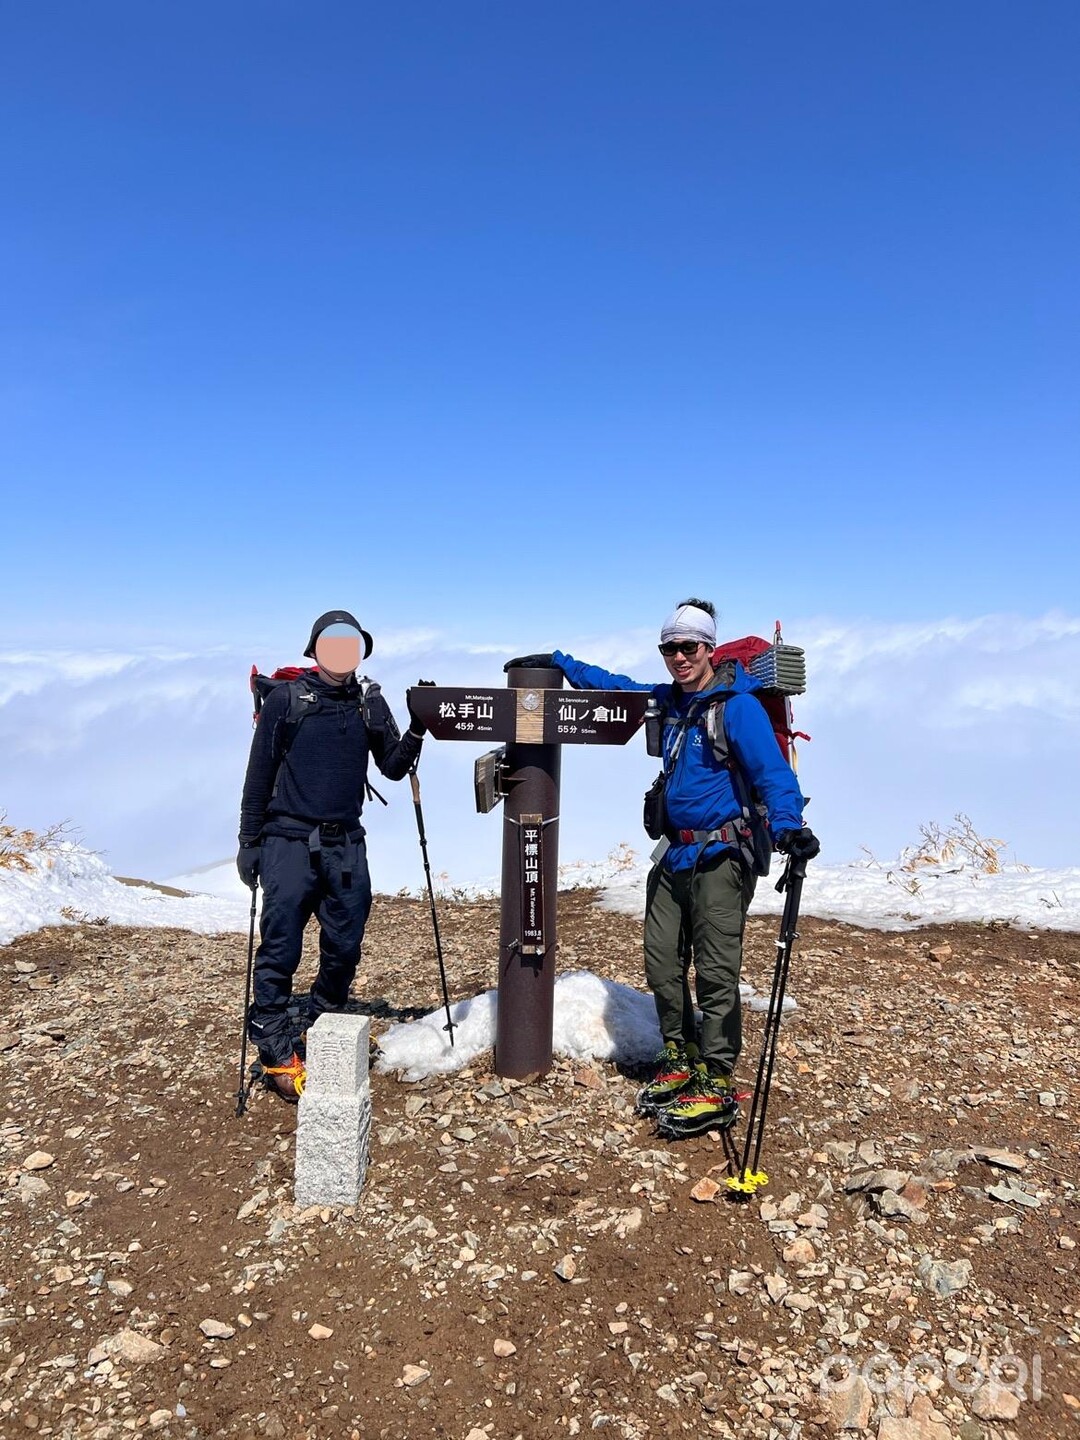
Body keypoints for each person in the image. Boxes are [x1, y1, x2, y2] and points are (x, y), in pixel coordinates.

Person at [514, 599, 819, 1135]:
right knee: (662, 963)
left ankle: (717, 1076)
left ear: (708, 648)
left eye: (689, 647)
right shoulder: (668, 702)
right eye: (669, 648)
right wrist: (562, 662)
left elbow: (773, 775)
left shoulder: (737, 707)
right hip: (674, 853)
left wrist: (790, 826)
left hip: (723, 856)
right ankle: (680, 1057)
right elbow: (615, 688)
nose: (678, 657)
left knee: (717, 970)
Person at [237, 609, 428, 1100]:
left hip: (346, 842)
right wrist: (249, 842)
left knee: (345, 944)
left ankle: (321, 1019)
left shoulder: (369, 701)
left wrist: (417, 728)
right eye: (332, 643)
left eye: (351, 644)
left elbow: (390, 766)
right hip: (288, 840)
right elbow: (259, 772)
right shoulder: (286, 700)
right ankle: (276, 1051)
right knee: (281, 946)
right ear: (315, 649)